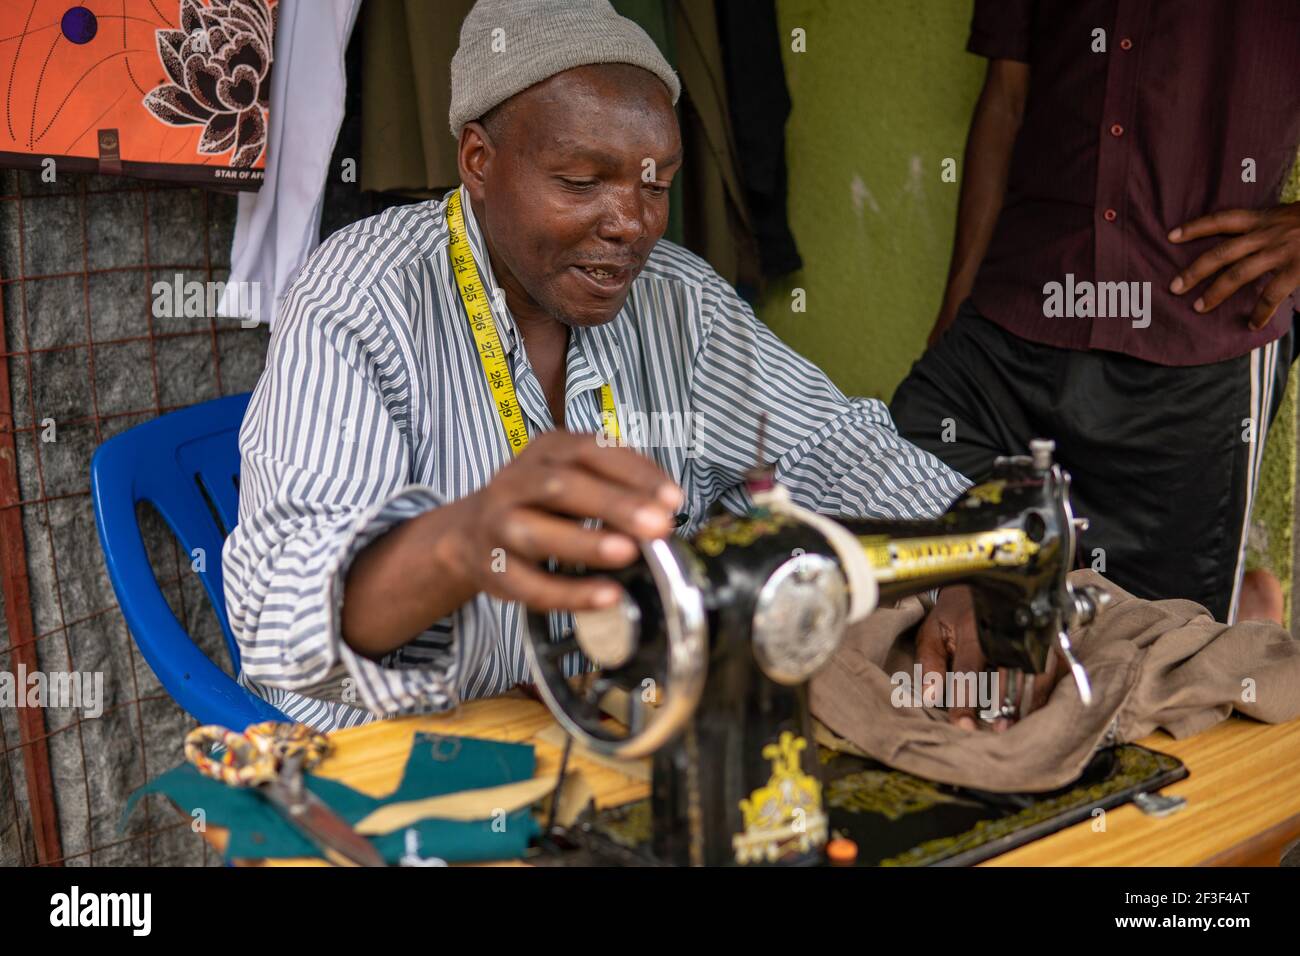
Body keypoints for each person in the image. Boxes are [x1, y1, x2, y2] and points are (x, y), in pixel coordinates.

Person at [221, 0, 972, 733]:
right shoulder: (361, 297)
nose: (632, 225)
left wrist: (964, 564)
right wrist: (460, 540)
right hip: (397, 748)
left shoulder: (679, 300)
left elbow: (831, 451)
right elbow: (278, 611)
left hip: (607, 712)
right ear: (479, 161)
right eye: (581, 182)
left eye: (657, 184)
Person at [891, 0, 1300, 633]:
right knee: (910, 556)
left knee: (1164, 660)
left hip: (1198, 335)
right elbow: (1006, 93)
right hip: (1013, 315)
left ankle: (1231, 610)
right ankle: (1233, 605)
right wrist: (956, 305)